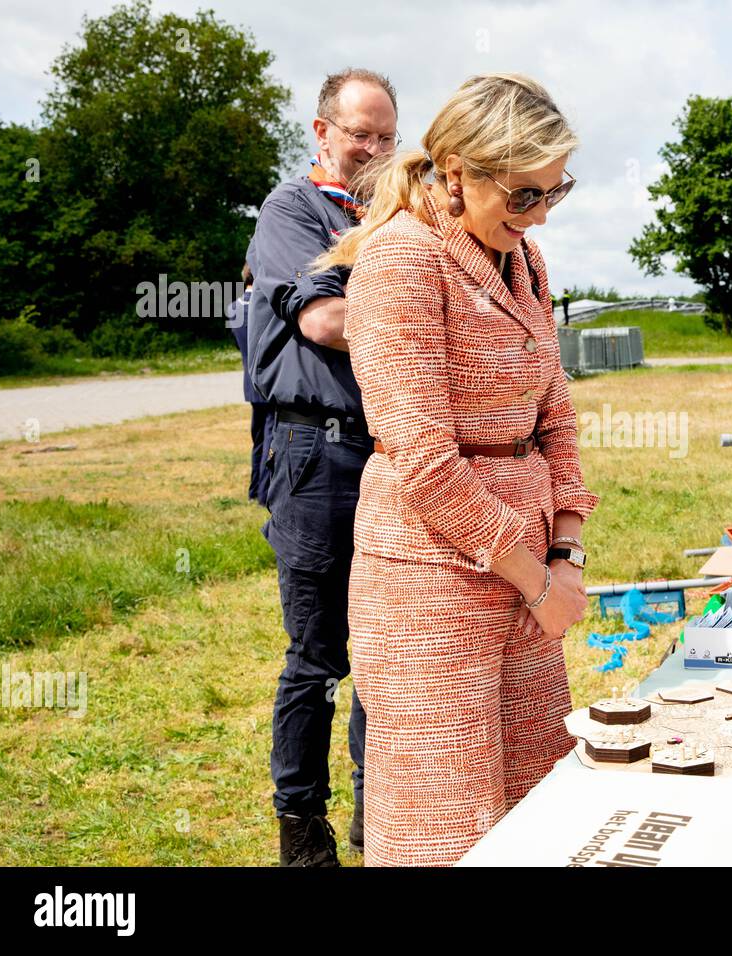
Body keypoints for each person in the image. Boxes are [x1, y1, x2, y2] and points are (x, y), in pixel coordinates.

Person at [316, 72, 596, 867]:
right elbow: (426, 461)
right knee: (444, 826)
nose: (539, 215)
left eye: (553, 193)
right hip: (431, 583)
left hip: (531, 577)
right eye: (521, 195)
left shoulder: (525, 261)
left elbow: (557, 418)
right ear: (455, 172)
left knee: (538, 802)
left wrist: (565, 553)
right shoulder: (404, 260)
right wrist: (540, 583)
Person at [245, 67, 400, 866]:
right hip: (312, 448)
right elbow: (327, 320)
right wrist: (421, 319)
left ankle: (386, 820)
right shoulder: (292, 210)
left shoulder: (393, 214)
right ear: (322, 131)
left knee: (383, 643)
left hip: (387, 449)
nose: (372, 149)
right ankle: (302, 832)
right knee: (320, 652)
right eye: (359, 134)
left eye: (386, 137)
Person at [226, 264, 274, 506]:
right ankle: (264, 494)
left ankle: (254, 489)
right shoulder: (265, 306)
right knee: (269, 439)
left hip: (250, 383)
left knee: (257, 441)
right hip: (270, 382)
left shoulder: (233, 308)